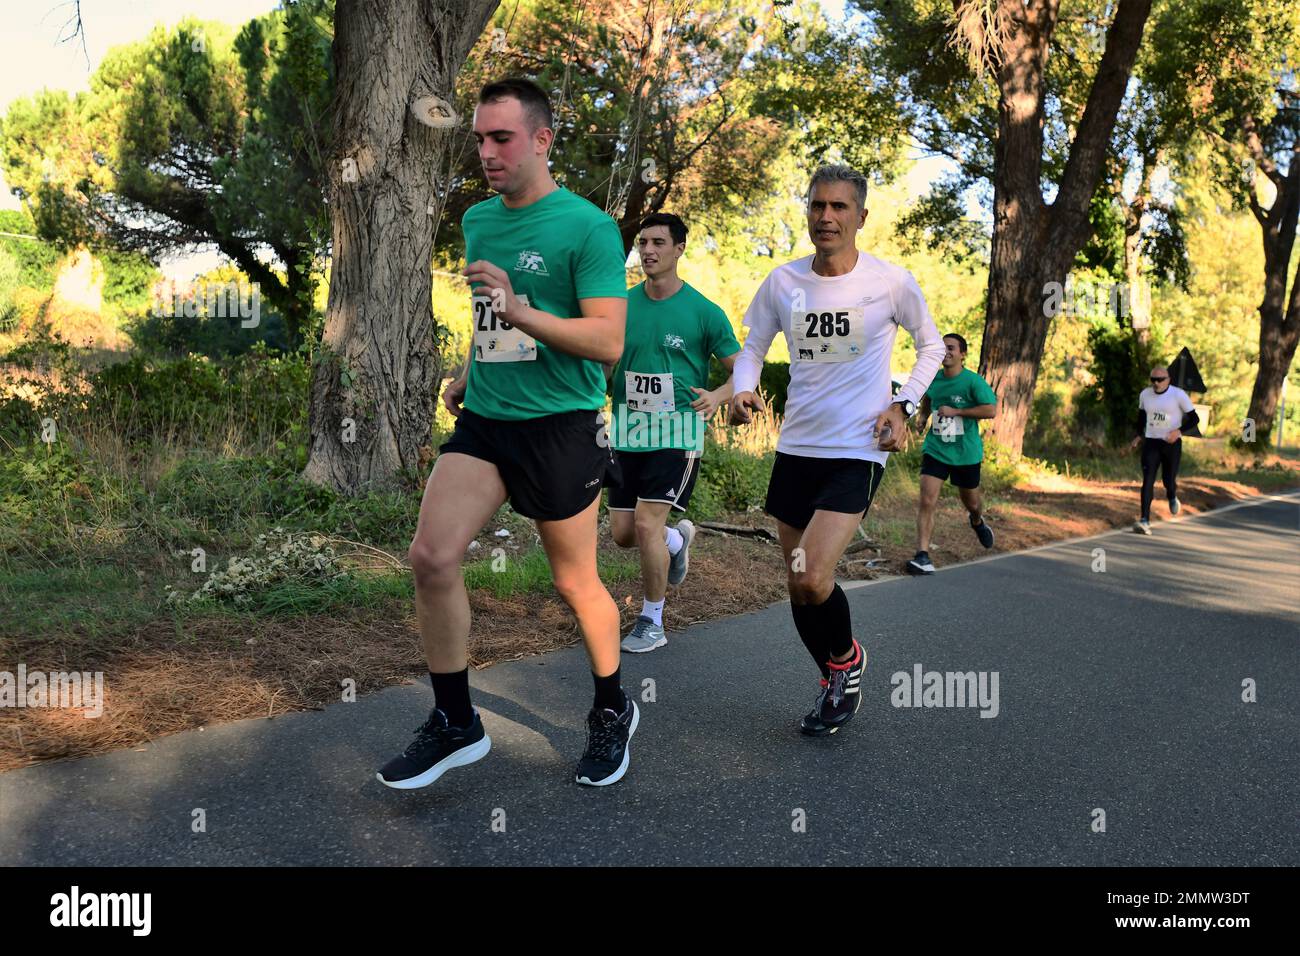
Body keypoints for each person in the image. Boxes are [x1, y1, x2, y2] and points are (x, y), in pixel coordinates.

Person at [378, 78, 638, 790]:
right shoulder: (478, 221)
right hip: (489, 420)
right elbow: (489, 311)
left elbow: (609, 341)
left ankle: (613, 707)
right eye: (480, 139)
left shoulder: (587, 227)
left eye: (502, 139)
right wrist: (468, 369)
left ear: (542, 140)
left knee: (574, 580)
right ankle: (457, 721)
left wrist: (525, 315)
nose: (486, 153)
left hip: (561, 425)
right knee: (431, 557)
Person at [729, 164, 944, 736]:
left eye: (839, 207)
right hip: (796, 447)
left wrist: (903, 406)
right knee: (797, 581)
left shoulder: (890, 282)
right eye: (817, 205)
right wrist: (745, 387)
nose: (826, 216)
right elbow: (751, 347)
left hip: (856, 450)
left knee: (815, 576)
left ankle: (846, 662)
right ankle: (832, 677)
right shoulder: (782, 282)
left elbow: (931, 347)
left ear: (861, 217)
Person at [606, 213, 741, 653]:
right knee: (623, 533)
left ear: (679, 249)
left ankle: (652, 620)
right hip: (628, 430)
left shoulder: (704, 312)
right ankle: (676, 541)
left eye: (658, 243)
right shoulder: (622, 305)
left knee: (646, 524)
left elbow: (742, 373)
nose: (647, 250)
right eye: (643, 242)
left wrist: (718, 397)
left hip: (677, 431)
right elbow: (605, 363)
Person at [906, 333, 997, 575]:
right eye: (942, 347)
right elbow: (928, 397)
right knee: (927, 499)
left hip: (965, 452)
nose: (946, 351)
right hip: (936, 448)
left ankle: (977, 520)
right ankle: (922, 555)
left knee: (972, 502)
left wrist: (957, 411)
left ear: (962, 354)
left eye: (951, 348)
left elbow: (990, 410)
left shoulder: (972, 382)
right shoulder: (934, 379)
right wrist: (923, 417)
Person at [1129, 365, 1198, 534]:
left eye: (1160, 380)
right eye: (1153, 379)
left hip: (1171, 444)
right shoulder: (1145, 395)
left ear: (1168, 380)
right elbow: (1142, 417)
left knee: (1168, 480)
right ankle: (1144, 520)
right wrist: (1138, 436)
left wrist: (1178, 432)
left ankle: (1172, 496)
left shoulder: (1178, 395)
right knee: (1148, 479)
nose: (1156, 383)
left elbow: (1194, 419)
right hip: (1152, 442)